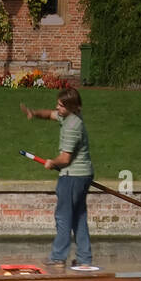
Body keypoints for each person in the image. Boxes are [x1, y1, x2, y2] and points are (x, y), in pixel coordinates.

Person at [20, 89, 97, 269]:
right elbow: (51, 115)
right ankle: (84, 259)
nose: (57, 108)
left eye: (61, 105)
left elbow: (65, 159)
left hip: (72, 176)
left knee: (63, 217)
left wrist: (51, 163)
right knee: (78, 216)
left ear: (70, 107)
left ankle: (58, 257)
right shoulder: (70, 116)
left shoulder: (72, 127)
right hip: (82, 175)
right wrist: (34, 113)